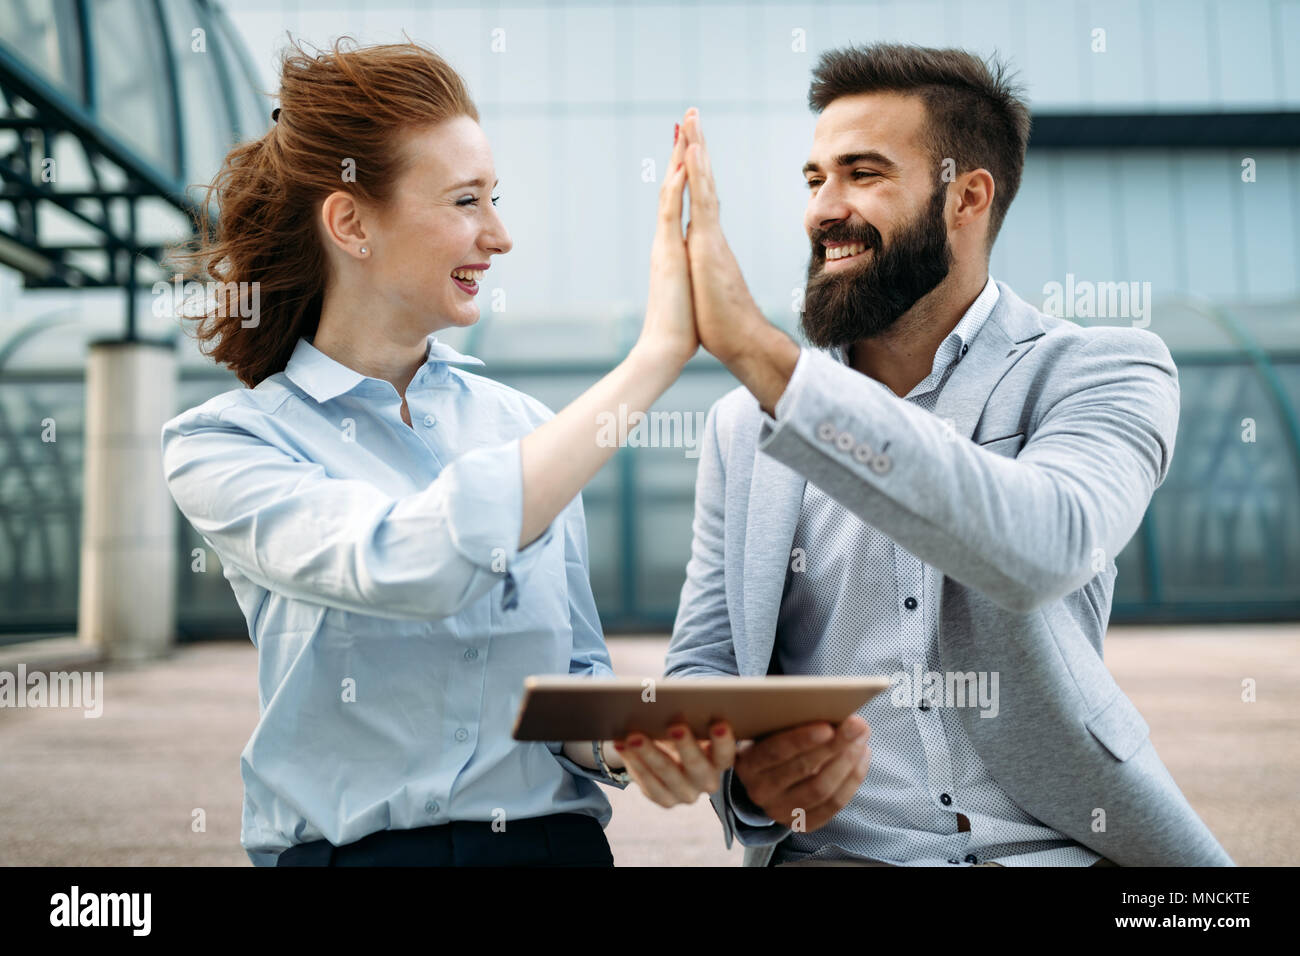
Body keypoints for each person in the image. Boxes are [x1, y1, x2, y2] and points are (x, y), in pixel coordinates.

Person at [653, 43, 1236, 867]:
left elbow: (1048, 543)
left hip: (1058, 850)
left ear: (967, 196)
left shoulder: (1102, 369)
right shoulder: (741, 427)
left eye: (863, 173)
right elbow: (706, 666)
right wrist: (751, 782)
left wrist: (757, 350)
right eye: (814, 178)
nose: (824, 208)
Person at [160, 37, 732, 867]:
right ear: (351, 222)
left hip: (554, 851)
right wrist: (654, 359)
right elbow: (402, 561)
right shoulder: (226, 445)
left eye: (494, 198)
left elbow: (569, 683)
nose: (498, 236)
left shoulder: (524, 426)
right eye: (467, 200)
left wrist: (632, 744)